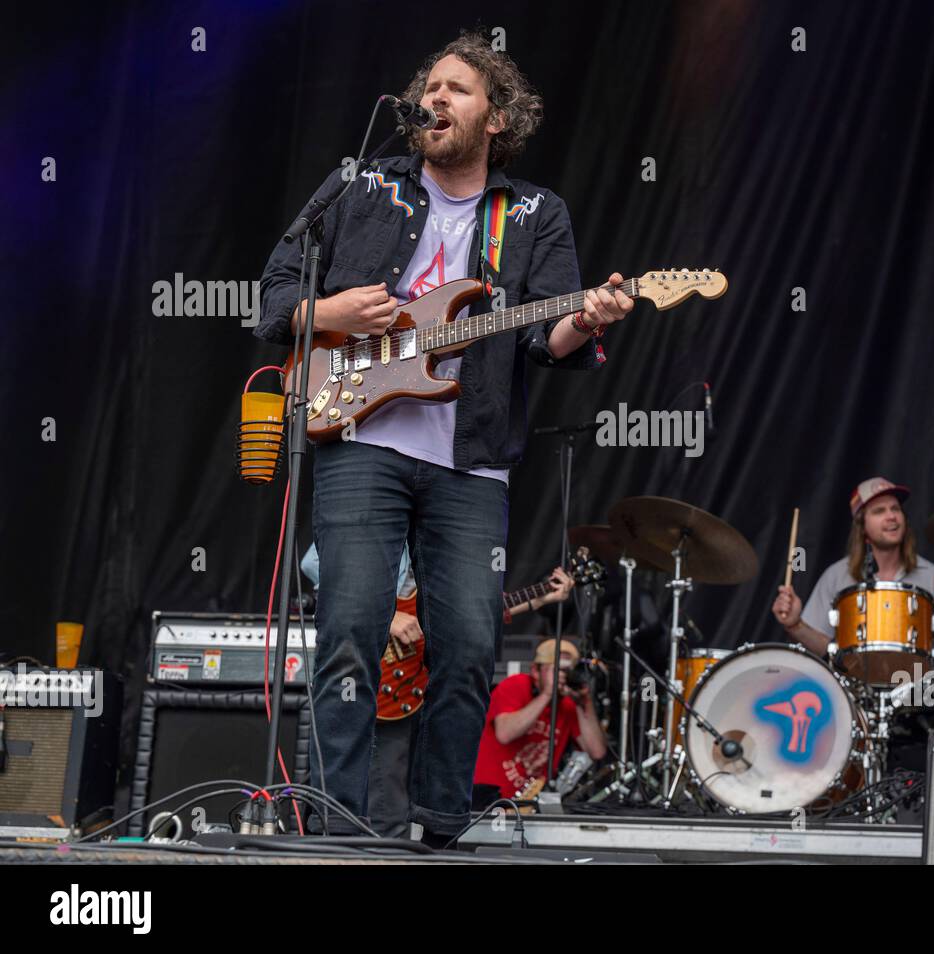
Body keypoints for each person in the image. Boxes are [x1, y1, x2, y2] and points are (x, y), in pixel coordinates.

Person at [255, 32, 633, 846]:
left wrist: (585, 317)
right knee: (351, 632)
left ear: (496, 117)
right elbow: (274, 291)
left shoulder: (534, 214)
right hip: (359, 436)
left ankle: (439, 827)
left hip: (474, 459)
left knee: (466, 647)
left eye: (456, 89)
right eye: (429, 87)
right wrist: (330, 315)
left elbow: (548, 339)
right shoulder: (362, 186)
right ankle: (335, 823)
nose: (435, 99)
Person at [298, 543, 575, 837]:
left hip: (422, 681)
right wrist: (387, 614)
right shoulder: (377, 506)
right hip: (377, 666)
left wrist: (539, 598)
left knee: (410, 796)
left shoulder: (445, 523)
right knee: (383, 796)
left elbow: (465, 614)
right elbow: (314, 562)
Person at [771, 477, 934, 656]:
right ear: (861, 525)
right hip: (852, 683)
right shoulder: (836, 576)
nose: (892, 516)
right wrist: (795, 625)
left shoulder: (932, 575)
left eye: (895, 508)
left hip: (916, 680)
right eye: (879, 511)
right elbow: (828, 650)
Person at [473, 638, 608, 800]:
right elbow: (504, 733)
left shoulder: (567, 705)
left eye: (567, 670)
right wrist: (547, 695)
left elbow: (597, 751)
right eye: (557, 669)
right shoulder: (516, 685)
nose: (563, 675)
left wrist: (584, 702)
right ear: (536, 671)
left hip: (528, 801)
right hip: (487, 798)